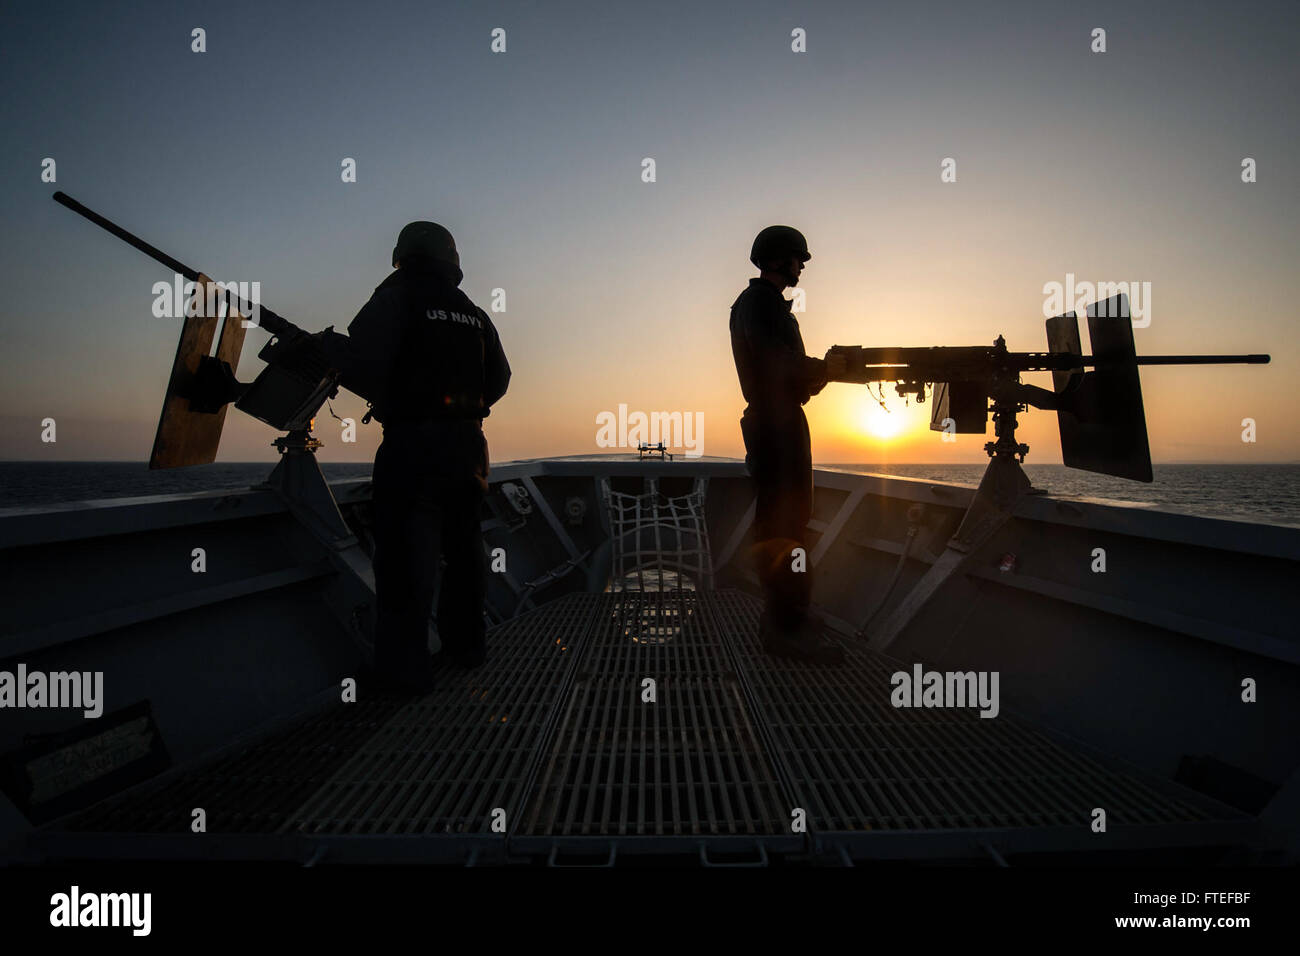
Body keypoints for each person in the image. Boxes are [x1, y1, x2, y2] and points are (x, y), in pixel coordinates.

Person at [341, 221, 511, 692]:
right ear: (451, 261)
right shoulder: (474, 314)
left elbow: (362, 368)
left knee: (404, 566)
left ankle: (405, 678)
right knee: (464, 553)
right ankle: (468, 650)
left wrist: (335, 353)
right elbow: (499, 378)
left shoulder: (394, 299)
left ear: (403, 255)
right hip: (468, 450)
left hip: (413, 447)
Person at [729, 225, 846, 664]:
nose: (802, 267)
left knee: (785, 526)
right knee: (786, 530)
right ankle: (787, 631)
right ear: (778, 260)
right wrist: (826, 367)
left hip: (776, 421)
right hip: (777, 425)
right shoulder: (760, 304)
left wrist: (819, 372)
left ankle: (784, 619)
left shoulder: (760, 305)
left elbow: (792, 374)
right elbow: (783, 368)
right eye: (798, 259)